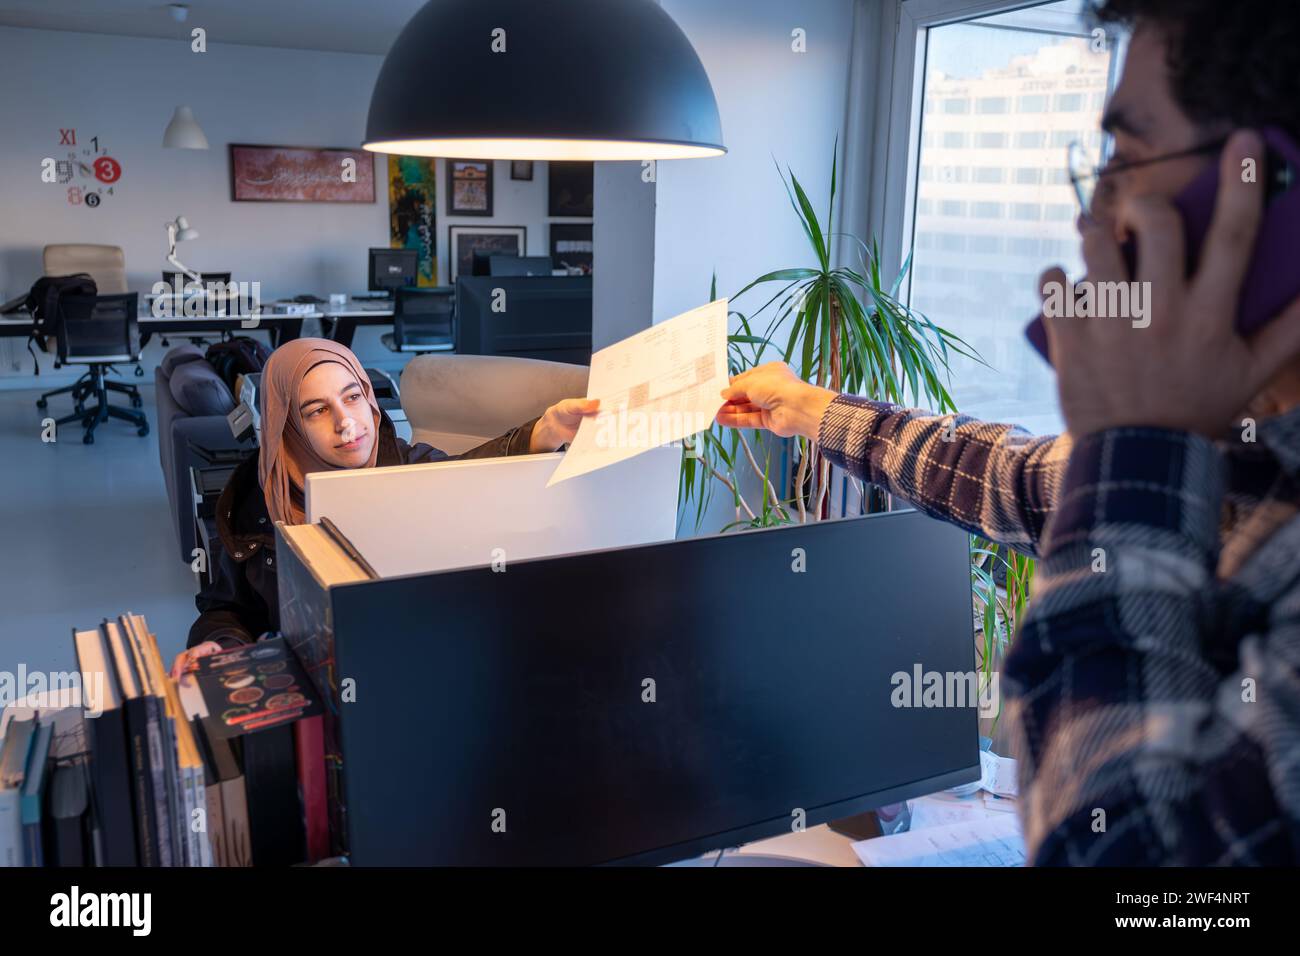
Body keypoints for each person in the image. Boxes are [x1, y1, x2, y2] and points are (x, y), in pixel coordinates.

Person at [718, 0, 1300, 864]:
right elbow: (1010, 477)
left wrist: (1141, 430)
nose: (1091, 218)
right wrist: (807, 408)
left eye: (1128, 159)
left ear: (1268, 193)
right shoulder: (1247, 454)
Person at [170, 338, 596, 678]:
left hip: (413, 669)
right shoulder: (256, 504)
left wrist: (545, 431)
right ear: (289, 426)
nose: (347, 423)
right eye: (318, 410)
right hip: (316, 683)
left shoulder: (410, 466)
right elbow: (226, 609)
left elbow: (474, 473)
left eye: (353, 397)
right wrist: (220, 645)